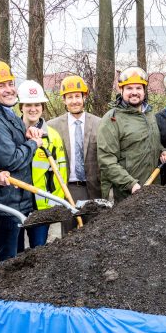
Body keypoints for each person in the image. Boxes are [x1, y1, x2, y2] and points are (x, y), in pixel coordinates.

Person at [0, 61, 39, 260]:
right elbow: (10, 160)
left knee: (16, 261)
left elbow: (10, 144)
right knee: (5, 264)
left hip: (16, 201)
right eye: (1, 85)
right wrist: (34, 144)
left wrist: (25, 136)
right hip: (5, 205)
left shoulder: (5, 112)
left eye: (10, 83)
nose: (9, 89)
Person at [98, 66, 166, 202]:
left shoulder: (149, 114)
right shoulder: (112, 119)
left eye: (138, 88)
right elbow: (106, 160)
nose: (134, 92)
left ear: (144, 90)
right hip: (126, 194)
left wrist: (162, 151)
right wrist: (131, 184)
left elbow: (150, 142)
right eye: (129, 88)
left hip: (152, 190)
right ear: (121, 90)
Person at [16, 79, 67, 250]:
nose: (33, 109)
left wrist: (55, 205)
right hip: (15, 202)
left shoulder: (52, 136)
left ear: (42, 107)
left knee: (38, 253)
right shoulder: (11, 133)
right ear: (21, 106)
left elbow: (61, 172)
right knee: (14, 253)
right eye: (28, 105)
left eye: (37, 104)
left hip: (41, 206)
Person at [47, 75, 102, 233]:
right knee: (70, 237)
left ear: (84, 97)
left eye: (77, 96)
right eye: (69, 97)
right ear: (64, 100)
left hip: (94, 189)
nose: (74, 101)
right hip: (69, 189)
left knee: (95, 234)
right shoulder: (53, 126)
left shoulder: (99, 124)